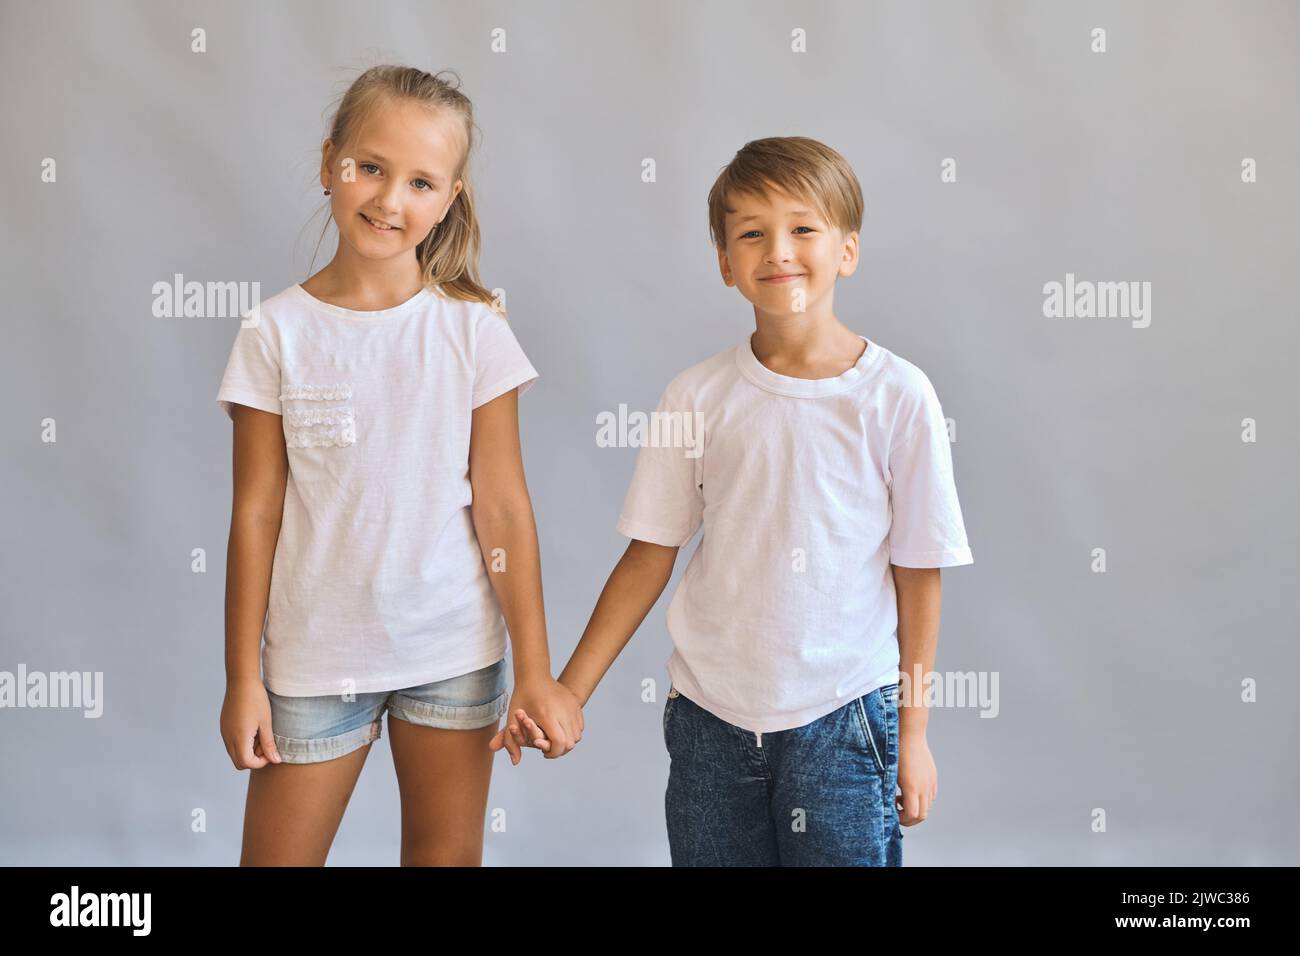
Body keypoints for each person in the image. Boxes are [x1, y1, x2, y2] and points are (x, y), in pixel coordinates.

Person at [494, 136, 973, 866]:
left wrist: (914, 735)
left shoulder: (897, 396)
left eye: (802, 228)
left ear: (847, 250)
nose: (778, 250)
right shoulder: (698, 397)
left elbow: (919, 573)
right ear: (726, 263)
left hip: (844, 720)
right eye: (752, 232)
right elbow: (650, 554)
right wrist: (569, 690)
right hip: (711, 724)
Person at [216, 64, 582, 866]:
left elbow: (504, 508)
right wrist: (244, 678)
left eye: (420, 181)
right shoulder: (273, 332)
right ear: (329, 164)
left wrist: (537, 669)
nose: (389, 200)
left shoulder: (474, 329)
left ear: (449, 197)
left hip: (451, 652)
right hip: (315, 659)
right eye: (370, 168)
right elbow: (255, 514)